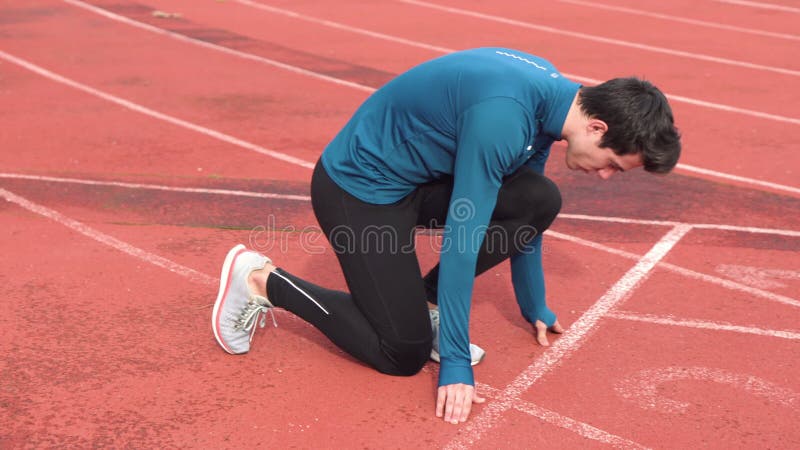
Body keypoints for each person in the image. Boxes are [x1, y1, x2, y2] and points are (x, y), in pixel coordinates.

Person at [211, 47, 681, 425]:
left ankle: (425, 305)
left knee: (541, 198)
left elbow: (527, 209)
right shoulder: (505, 117)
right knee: (401, 353)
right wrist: (455, 363)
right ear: (596, 128)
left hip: (418, 183)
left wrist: (533, 304)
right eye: (613, 165)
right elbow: (462, 239)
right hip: (358, 192)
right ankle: (262, 280)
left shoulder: (555, 103)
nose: (605, 176)